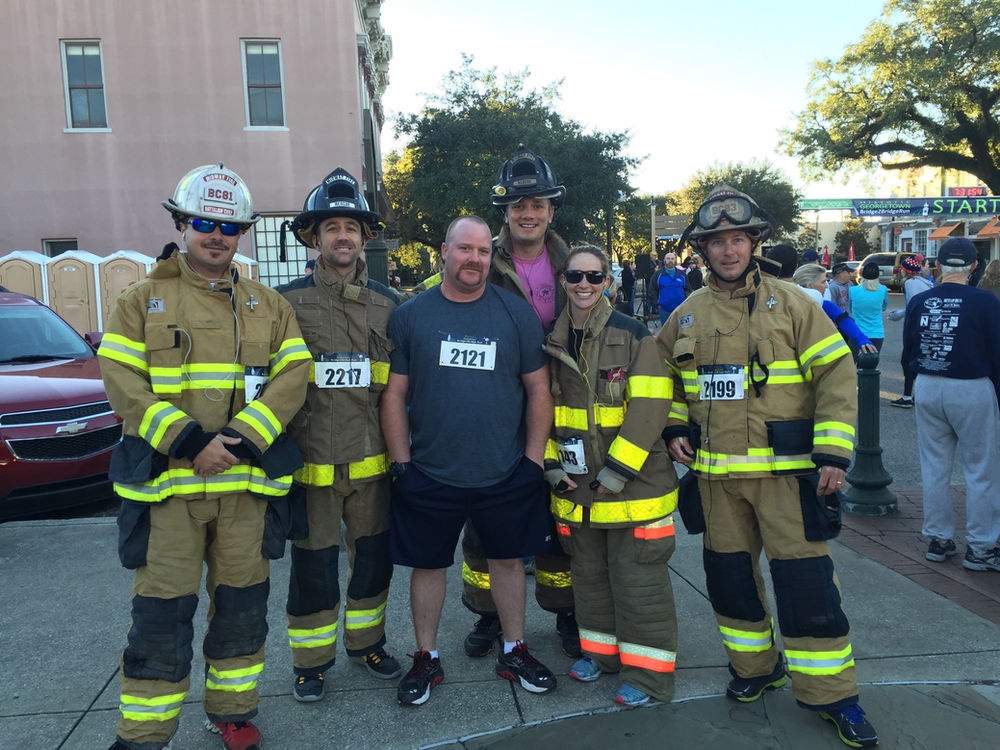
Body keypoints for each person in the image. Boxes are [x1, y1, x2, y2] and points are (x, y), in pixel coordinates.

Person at [98, 164, 311, 750]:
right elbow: (122, 383)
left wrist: (237, 440)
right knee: (161, 617)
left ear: (240, 232)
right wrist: (194, 443)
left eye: (229, 226)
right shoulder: (141, 302)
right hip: (168, 495)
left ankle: (234, 712)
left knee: (242, 609)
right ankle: (142, 734)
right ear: (180, 223)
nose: (217, 236)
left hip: (244, 491)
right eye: (204, 223)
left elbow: (294, 375)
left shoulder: (268, 306)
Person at [658, 184, 878, 748]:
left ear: (754, 243)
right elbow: (664, 384)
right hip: (717, 481)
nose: (728, 251)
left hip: (788, 477)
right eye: (716, 242)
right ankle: (755, 670)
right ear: (701, 250)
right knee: (730, 585)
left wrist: (833, 452)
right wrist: (675, 426)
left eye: (738, 239)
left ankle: (834, 696)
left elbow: (837, 375)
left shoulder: (798, 306)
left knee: (806, 587)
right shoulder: (684, 317)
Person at [382, 215, 557, 706]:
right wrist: (402, 464)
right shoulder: (412, 315)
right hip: (430, 471)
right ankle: (426, 656)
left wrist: (532, 461)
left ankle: (515, 648)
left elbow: (538, 389)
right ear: (444, 250)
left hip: (504, 471)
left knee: (505, 561)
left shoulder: (515, 313)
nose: (474, 259)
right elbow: (395, 394)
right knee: (428, 566)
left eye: (483, 251)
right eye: (465, 249)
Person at [275, 167, 403, 703]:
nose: (343, 236)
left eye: (351, 227)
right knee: (313, 571)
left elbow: (400, 386)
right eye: (332, 227)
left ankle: (367, 644)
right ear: (314, 237)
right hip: (312, 468)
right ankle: (311, 662)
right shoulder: (284, 303)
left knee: (372, 565)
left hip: (372, 467)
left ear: (365, 237)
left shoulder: (389, 304)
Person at [457, 145, 579, 660]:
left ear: (552, 211)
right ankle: (488, 615)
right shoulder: (483, 258)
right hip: (501, 404)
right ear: (504, 213)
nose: (528, 213)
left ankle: (567, 611)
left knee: (565, 513)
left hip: (565, 402)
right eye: (517, 206)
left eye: (538, 204)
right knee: (488, 511)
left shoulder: (576, 264)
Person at [544, 245, 679, 707]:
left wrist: (617, 472)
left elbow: (650, 408)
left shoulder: (634, 335)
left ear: (609, 283)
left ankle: (648, 677)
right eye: (575, 277)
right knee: (590, 580)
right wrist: (550, 464)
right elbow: (541, 413)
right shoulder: (551, 339)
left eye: (594, 277)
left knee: (638, 585)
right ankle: (600, 656)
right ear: (563, 280)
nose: (583, 285)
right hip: (578, 490)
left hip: (634, 489)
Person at [902, 237, 1000, 573]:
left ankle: (939, 538)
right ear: (974, 266)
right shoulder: (986, 302)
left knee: (935, 466)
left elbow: (908, 349)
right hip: (971, 386)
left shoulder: (921, 301)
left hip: (928, 384)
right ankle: (982, 546)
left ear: (938, 265)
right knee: (981, 470)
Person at [888, 255, 934, 407]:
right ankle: (918, 395)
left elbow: (915, 305)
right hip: (926, 325)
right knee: (917, 360)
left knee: (907, 361)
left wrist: (899, 314)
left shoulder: (910, 283)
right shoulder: (927, 282)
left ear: (906, 270)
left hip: (915, 327)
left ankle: (908, 397)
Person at [848, 262, 888, 351]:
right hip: (876, 332)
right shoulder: (883, 289)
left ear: (862, 274)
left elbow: (851, 308)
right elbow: (884, 307)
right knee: (871, 363)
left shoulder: (852, 290)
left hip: (856, 332)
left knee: (853, 362)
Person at [653, 252, 687, 325]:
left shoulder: (682, 275)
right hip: (664, 310)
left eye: (672, 259)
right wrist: (657, 305)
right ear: (664, 261)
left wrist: (687, 304)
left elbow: (688, 290)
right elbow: (652, 290)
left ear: (675, 260)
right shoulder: (658, 274)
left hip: (680, 309)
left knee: (681, 333)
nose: (670, 260)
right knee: (666, 334)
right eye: (668, 259)